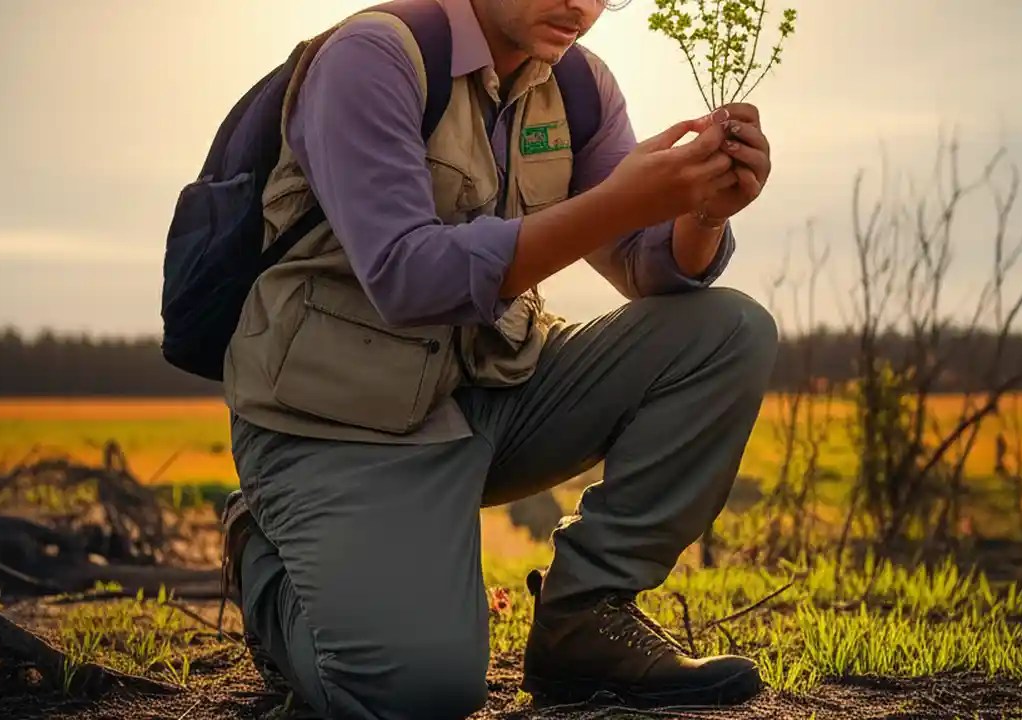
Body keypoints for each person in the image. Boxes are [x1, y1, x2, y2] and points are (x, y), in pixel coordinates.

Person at [218, 0, 778, 715]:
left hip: (493, 387)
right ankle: (262, 555)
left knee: (728, 331)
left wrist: (703, 209)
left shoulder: (578, 86)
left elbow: (646, 268)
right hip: (335, 423)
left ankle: (585, 620)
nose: (581, 4)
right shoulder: (373, 58)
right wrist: (618, 202)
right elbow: (407, 276)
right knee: (418, 693)